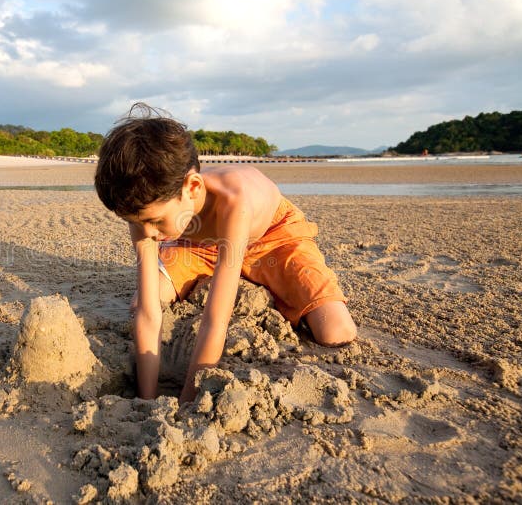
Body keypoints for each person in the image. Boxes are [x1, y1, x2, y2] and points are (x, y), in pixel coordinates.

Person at [94, 104, 357, 402]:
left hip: (273, 238)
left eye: (155, 222)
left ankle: (264, 282)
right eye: (138, 222)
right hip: (199, 245)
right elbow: (147, 314)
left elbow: (215, 320)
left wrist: (189, 400)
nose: (149, 233)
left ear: (192, 187)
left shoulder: (233, 201)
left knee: (336, 331)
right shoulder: (144, 208)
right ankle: (229, 277)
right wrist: (147, 399)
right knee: (144, 298)